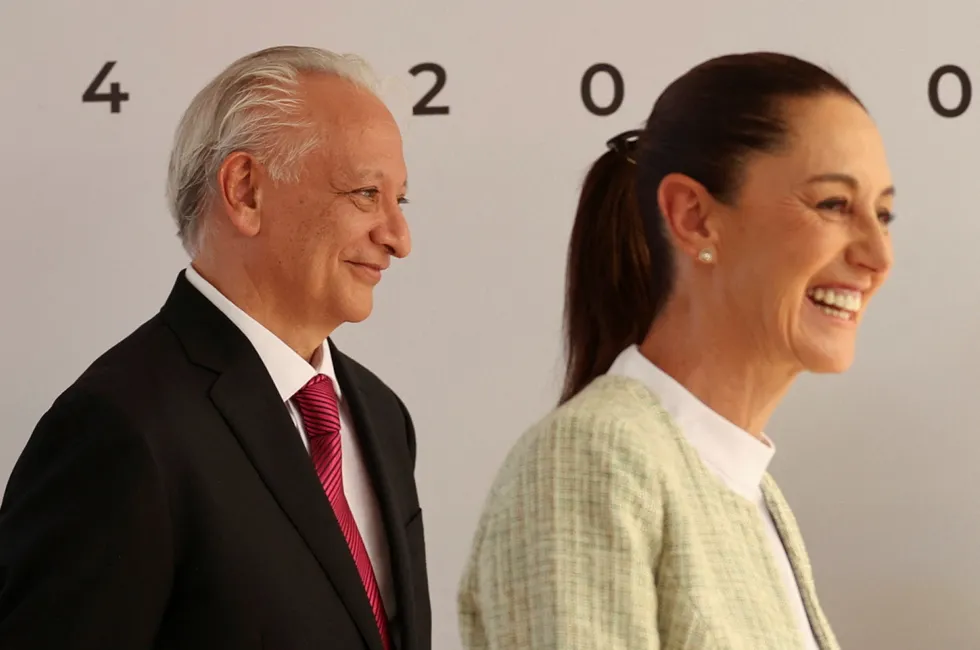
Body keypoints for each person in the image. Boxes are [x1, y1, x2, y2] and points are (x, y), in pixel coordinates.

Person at [457, 51, 895, 650]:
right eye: (833, 205)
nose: (878, 256)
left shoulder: (751, 491)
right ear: (693, 217)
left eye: (885, 213)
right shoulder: (593, 458)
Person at [0, 46, 430, 650]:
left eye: (400, 200)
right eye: (365, 193)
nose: (398, 238)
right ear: (246, 190)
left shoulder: (383, 417)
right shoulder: (119, 429)